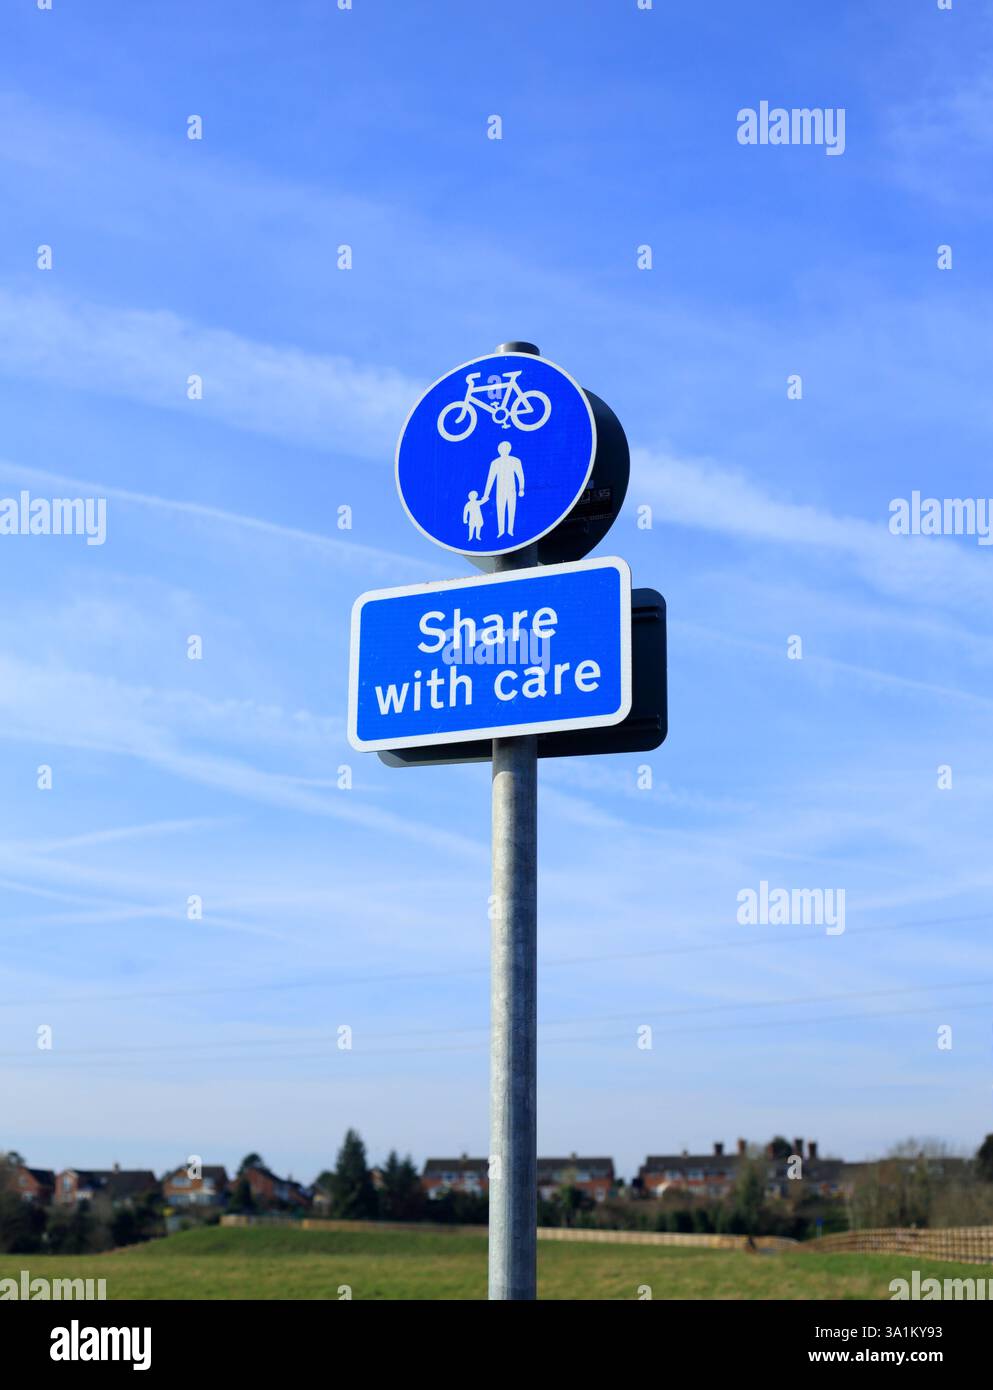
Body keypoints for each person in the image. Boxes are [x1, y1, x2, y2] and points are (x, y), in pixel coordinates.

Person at [481, 441, 525, 538]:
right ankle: (501, 531)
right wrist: (486, 495)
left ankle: (510, 530)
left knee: (511, 509)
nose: (503, 450)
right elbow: (490, 479)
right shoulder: (495, 463)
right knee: (500, 509)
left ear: (509, 449)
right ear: (499, 450)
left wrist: (521, 489)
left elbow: (520, 475)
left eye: (505, 448)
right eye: (501, 449)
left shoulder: (515, 461)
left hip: (512, 489)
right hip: (500, 490)